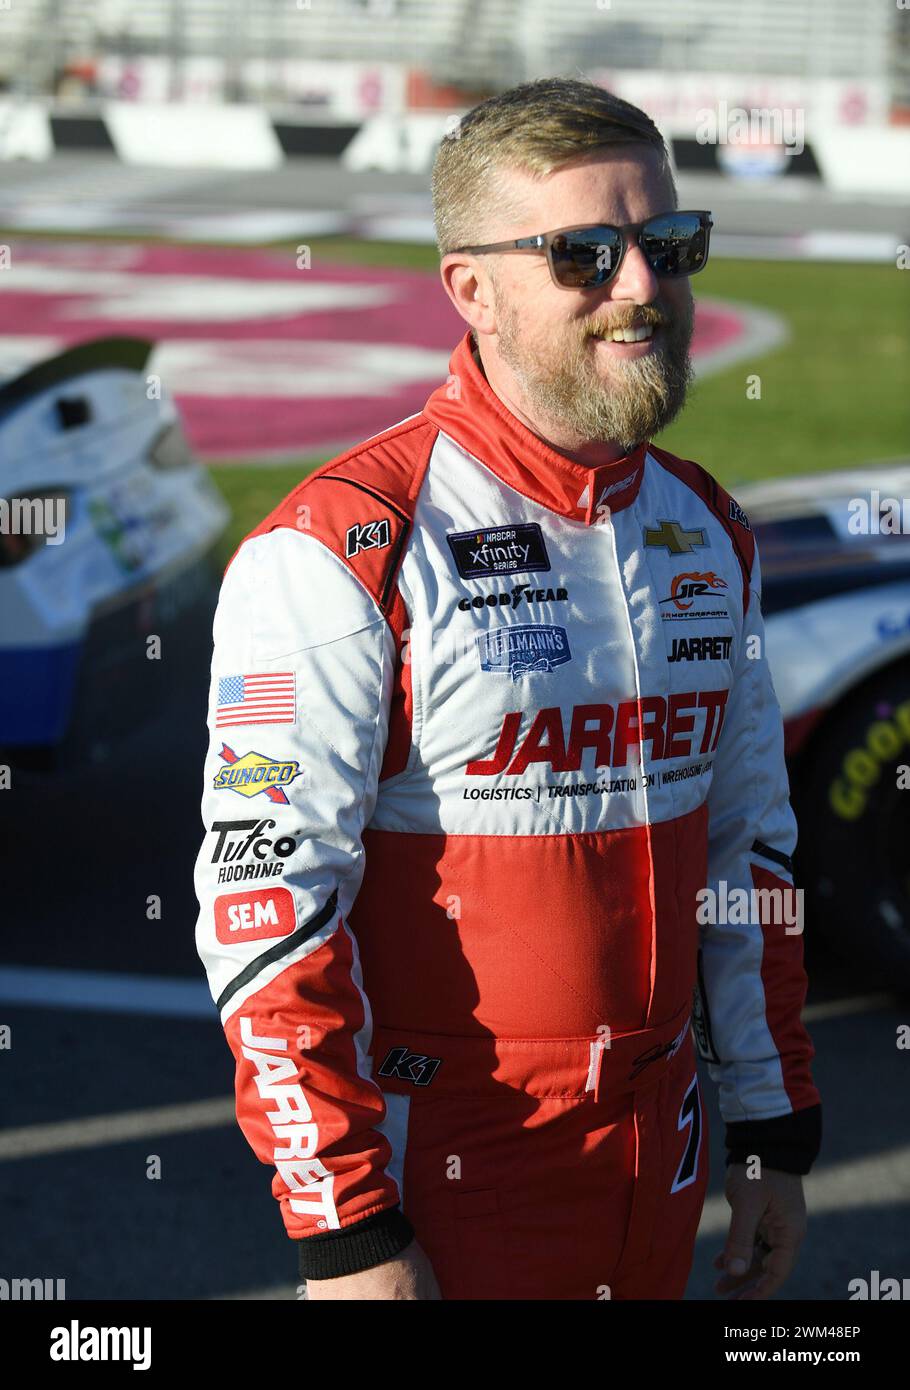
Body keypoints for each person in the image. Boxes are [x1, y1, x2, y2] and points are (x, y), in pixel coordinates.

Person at [194, 77, 821, 1301]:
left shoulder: (705, 525)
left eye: (668, 243)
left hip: (664, 1144)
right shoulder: (340, 545)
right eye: (585, 253)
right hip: (448, 1170)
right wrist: (349, 1234)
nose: (642, 286)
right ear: (471, 289)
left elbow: (752, 859)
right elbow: (266, 910)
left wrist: (769, 1127)